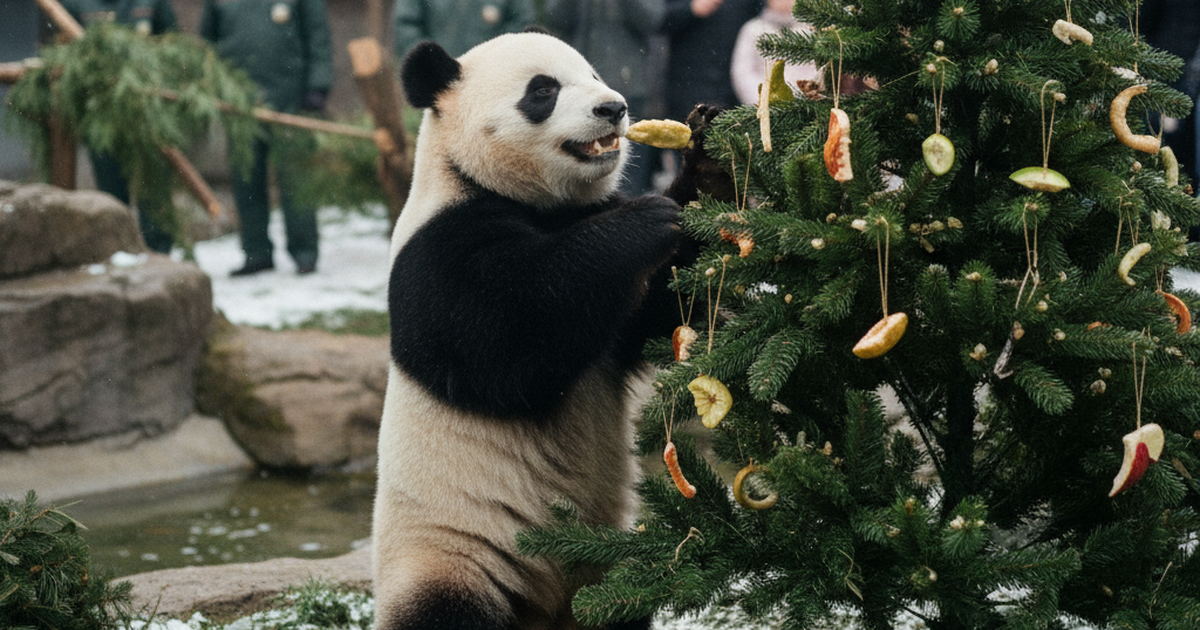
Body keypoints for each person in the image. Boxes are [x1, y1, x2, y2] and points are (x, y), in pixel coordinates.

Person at [201, 0, 333, 275]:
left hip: (291, 98)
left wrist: (317, 85)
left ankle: (304, 252)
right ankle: (256, 251)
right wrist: (210, 85)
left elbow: (317, 35)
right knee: (246, 178)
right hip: (240, 102)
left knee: (296, 177)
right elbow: (206, 44)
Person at [58, 0, 179, 254]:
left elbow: (174, 47)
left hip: (148, 111)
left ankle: (160, 254)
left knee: (153, 186)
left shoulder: (151, 2)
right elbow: (61, 51)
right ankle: (118, 253)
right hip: (101, 114)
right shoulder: (75, 4)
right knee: (110, 191)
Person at [543, 0, 666, 195]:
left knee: (630, 176)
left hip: (628, 88)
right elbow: (555, 18)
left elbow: (652, 21)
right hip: (579, 90)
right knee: (582, 171)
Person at [660, 0, 763, 124]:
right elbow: (657, 20)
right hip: (688, 83)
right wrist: (690, 9)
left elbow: (767, 11)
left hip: (733, 83)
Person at [730, 0, 818, 106]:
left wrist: (803, 98)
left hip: (806, 105)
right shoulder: (753, 29)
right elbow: (743, 72)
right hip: (763, 106)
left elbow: (818, 70)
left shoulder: (811, 30)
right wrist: (764, 101)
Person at [391, 0, 536, 60]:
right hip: (439, 84)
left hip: (493, 82)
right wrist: (431, 65)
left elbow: (522, 24)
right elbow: (405, 26)